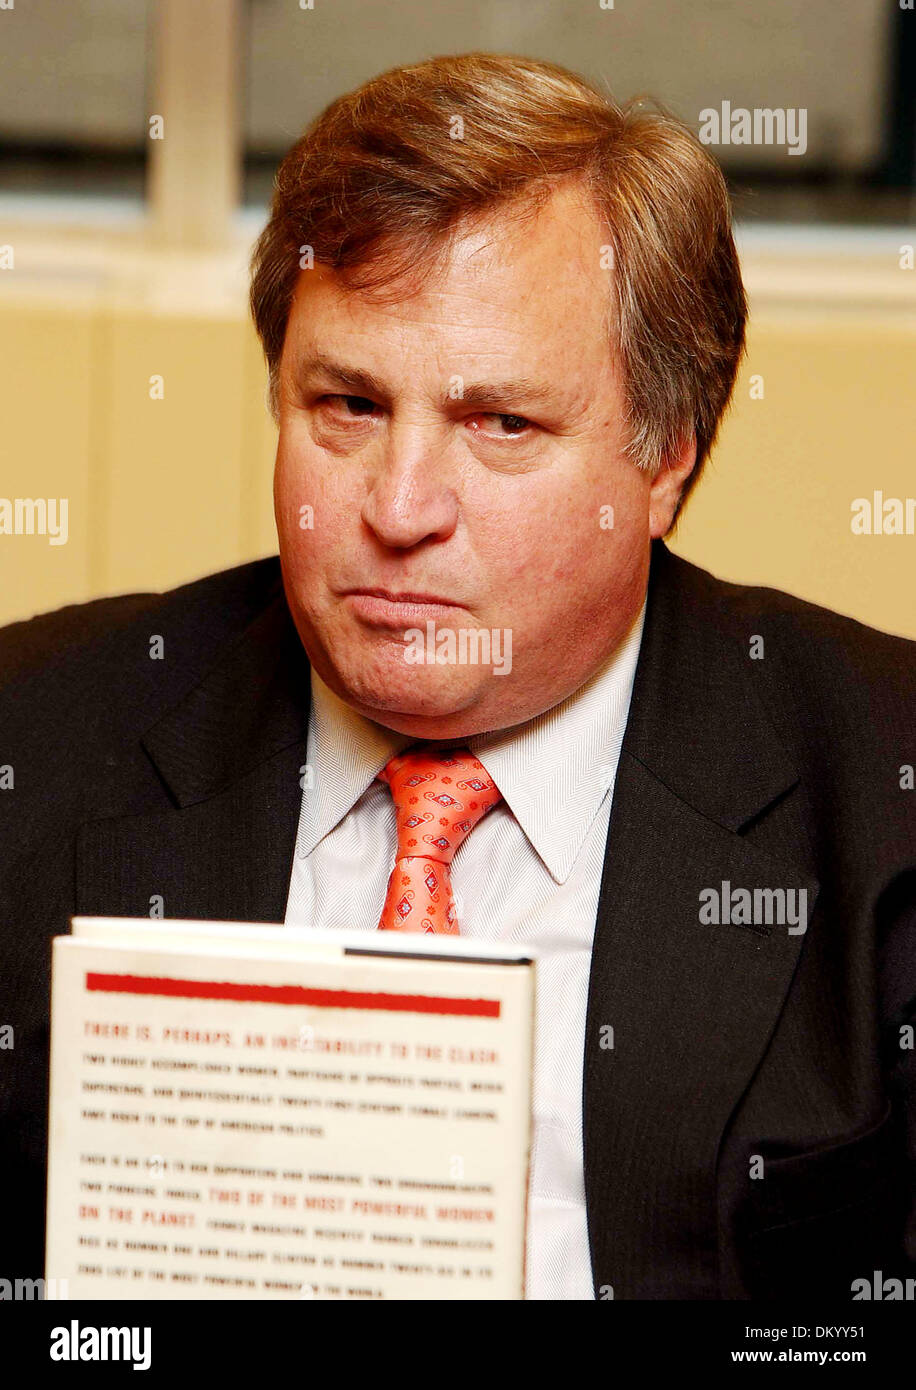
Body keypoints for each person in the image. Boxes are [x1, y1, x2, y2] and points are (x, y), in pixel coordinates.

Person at [1, 53, 913, 1300]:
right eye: (349, 406)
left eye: (502, 425)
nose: (399, 506)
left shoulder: (883, 796)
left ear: (665, 461)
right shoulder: (37, 739)